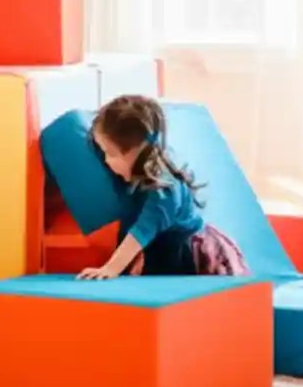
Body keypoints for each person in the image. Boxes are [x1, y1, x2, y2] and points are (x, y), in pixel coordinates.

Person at [78, 95, 250, 279]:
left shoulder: (165, 191)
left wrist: (110, 269)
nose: (106, 160)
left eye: (110, 153)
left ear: (135, 151)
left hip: (184, 251)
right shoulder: (127, 169)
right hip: (158, 245)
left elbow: (142, 230)